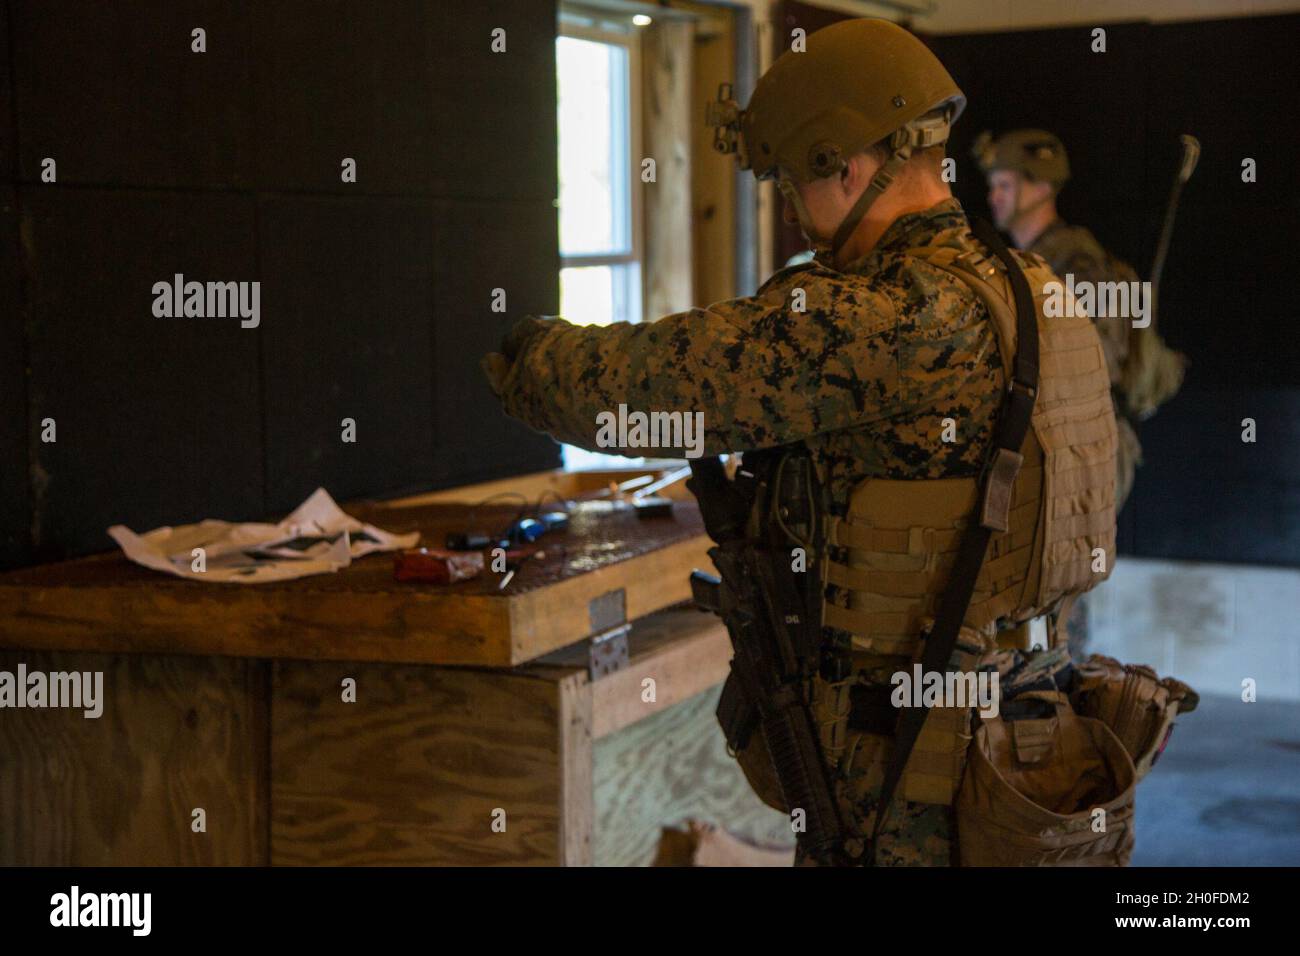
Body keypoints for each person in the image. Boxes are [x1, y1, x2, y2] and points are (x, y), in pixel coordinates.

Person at [483, 19, 1118, 866]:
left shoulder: (890, 320)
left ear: (845, 165)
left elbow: (644, 390)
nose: (792, 210)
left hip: (907, 773)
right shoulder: (1036, 291)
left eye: (790, 182)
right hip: (1025, 726)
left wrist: (519, 354)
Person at [975, 129, 1184, 510]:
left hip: (1087, 445)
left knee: (1062, 566)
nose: (994, 196)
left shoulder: (1074, 261)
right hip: (1068, 443)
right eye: (993, 186)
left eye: (1004, 184)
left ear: (1039, 188)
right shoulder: (1037, 258)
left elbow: (1089, 357)